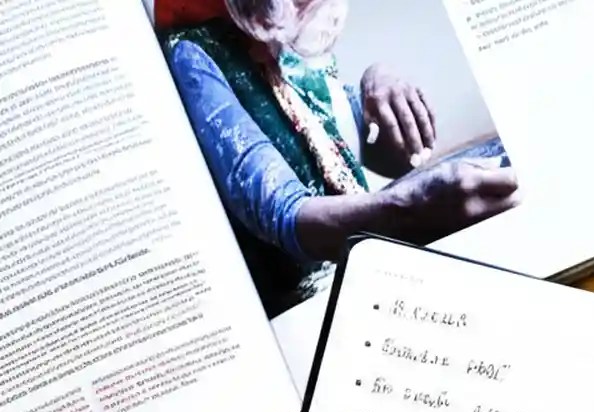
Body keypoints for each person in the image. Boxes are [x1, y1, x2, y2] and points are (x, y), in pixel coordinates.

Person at [159, 0, 520, 315]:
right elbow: (284, 215)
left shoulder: (287, 39)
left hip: (367, 261)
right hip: (310, 302)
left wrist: (377, 83)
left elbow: (381, 159)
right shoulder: (193, 52)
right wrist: (408, 208)